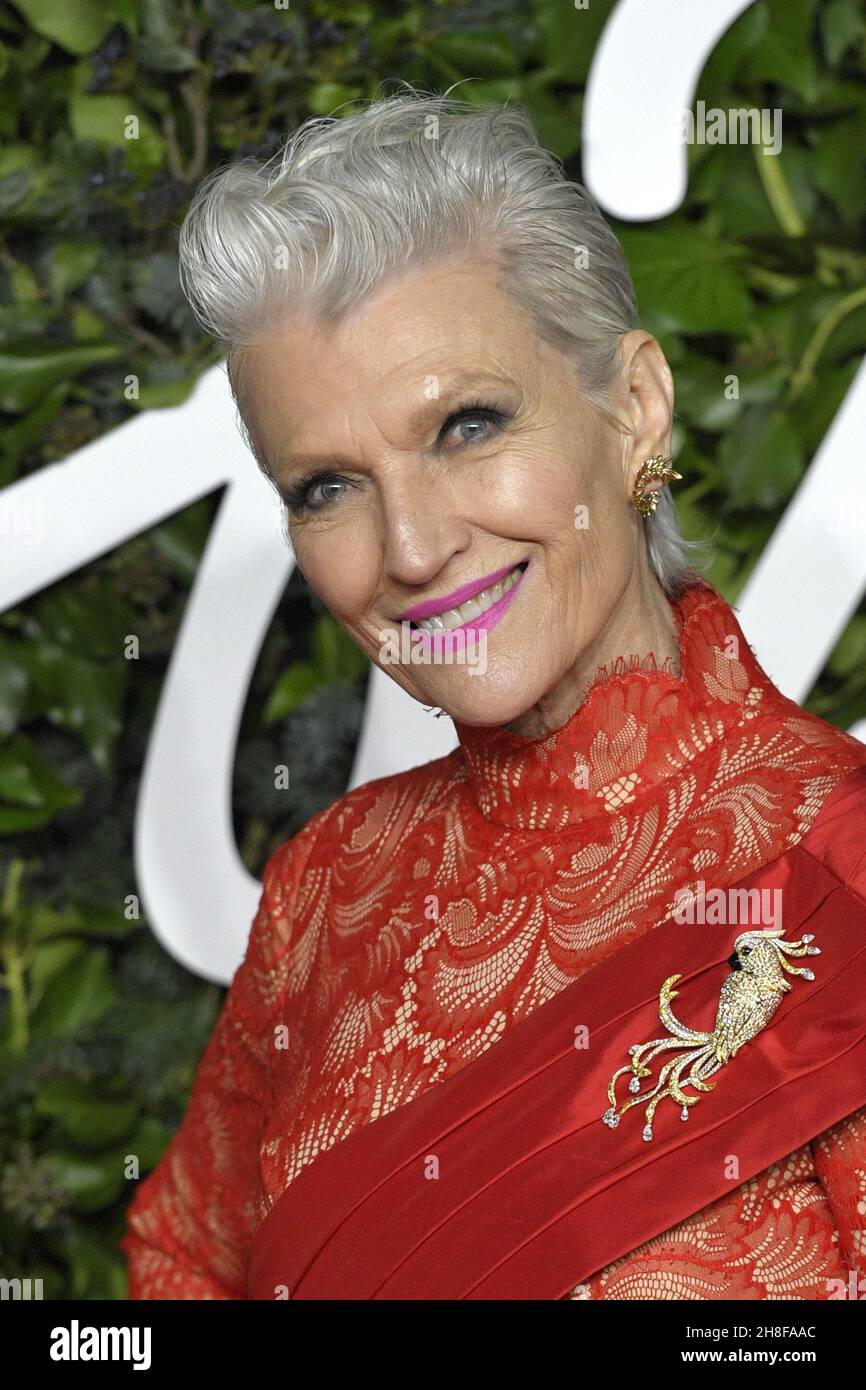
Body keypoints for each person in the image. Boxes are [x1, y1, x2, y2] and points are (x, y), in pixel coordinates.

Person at [121, 88, 866, 1300]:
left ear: (634, 410)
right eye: (324, 487)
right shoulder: (328, 888)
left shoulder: (841, 870)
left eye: (466, 425)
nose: (409, 548)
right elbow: (182, 1267)